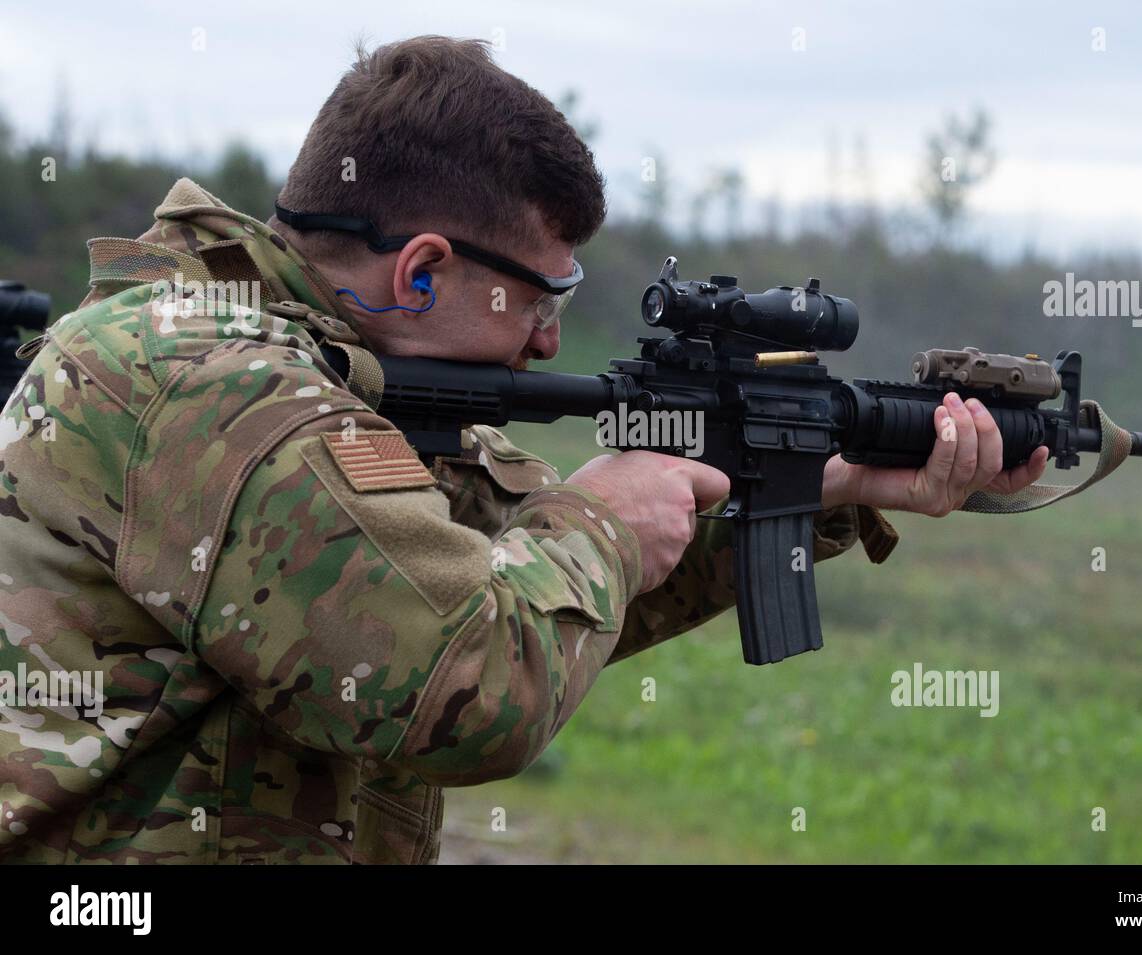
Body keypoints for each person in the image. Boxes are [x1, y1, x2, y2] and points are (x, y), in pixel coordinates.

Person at [0, 35, 1048, 864]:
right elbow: (468, 679)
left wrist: (834, 483)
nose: (549, 338)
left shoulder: (337, 384)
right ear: (420, 271)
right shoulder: (201, 377)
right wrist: (598, 516)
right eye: (542, 296)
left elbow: (533, 592)